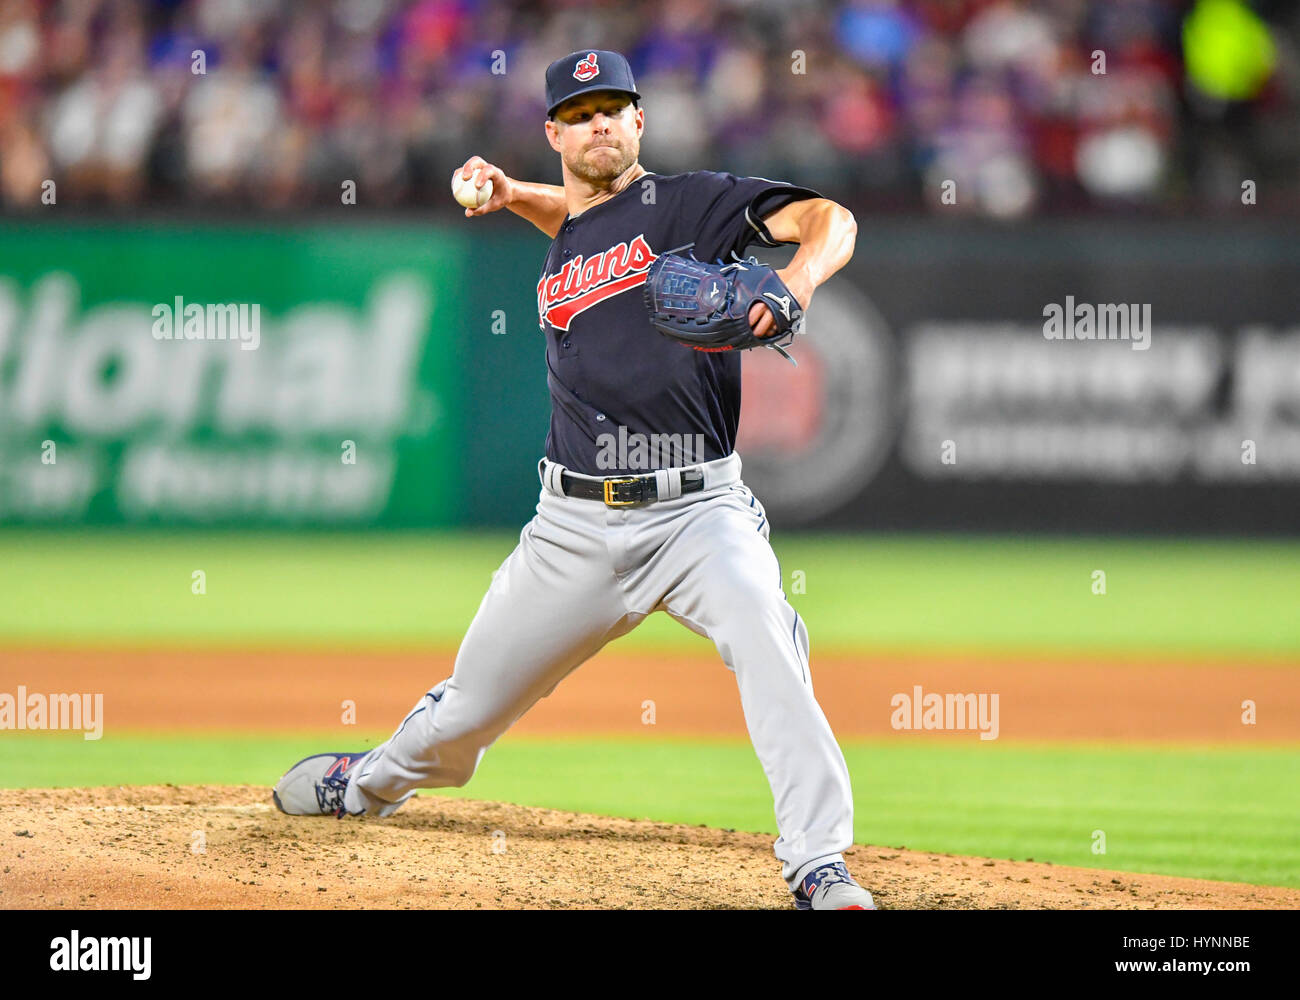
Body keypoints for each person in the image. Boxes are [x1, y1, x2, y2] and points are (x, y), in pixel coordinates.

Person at [273, 49, 873, 910]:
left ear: (638, 122)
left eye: (613, 107)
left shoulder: (696, 203)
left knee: (769, 642)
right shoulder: (573, 228)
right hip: (572, 526)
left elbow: (833, 218)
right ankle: (366, 780)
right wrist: (516, 194)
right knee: (466, 713)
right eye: (579, 110)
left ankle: (820, 863)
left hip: (697, 512)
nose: (598, 122)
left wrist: (795, 280)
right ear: (553, 131)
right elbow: (580, 219)